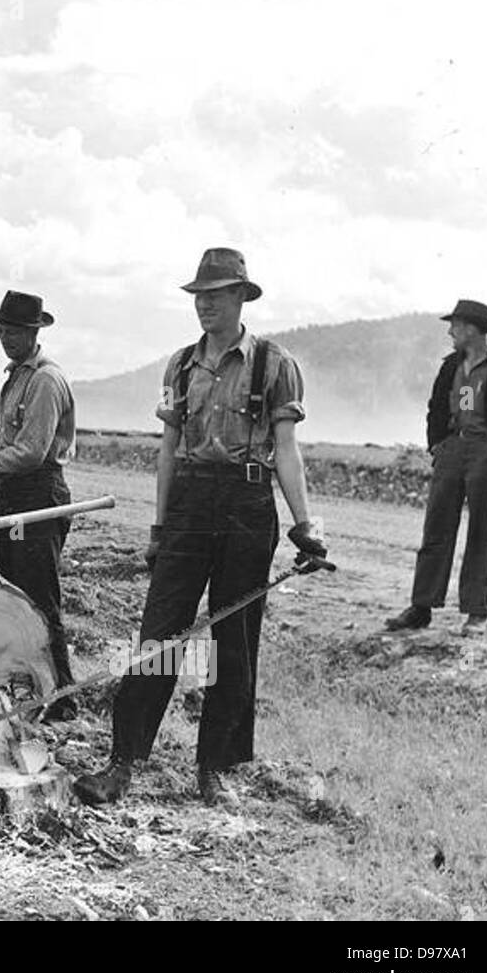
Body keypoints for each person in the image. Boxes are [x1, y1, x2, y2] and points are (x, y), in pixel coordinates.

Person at [73, 249, 327, 811]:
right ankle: (122, 763)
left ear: (241, 296)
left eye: (215, 295)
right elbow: (166, 450)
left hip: (247, 503)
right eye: (198, 296)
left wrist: (307, 525)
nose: (204, 306)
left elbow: (287, 452)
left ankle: (215, 769)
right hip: (189, 502)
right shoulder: (181, 366)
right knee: (158, 635)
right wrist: (159, 526)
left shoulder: (274, 365)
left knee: (233, 641)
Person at [0, 291, 78, 716]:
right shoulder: (15, 377)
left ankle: (63, 697)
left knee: (40, 597)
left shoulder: (45, 379)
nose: (7, 337)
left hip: (39, 496)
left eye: (15, 331)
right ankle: (26, 686)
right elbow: (11, 444)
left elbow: (31, 452)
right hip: (14, 498)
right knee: (12, 593)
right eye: (2, 330)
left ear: (34, 332)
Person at [385, 300, 487, 637]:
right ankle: (421, 606)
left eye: (455, 326)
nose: (450, 332)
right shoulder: (451, 366)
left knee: (481, 533)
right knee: (436, 528)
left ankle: (477, 612)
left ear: (472, 328)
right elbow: (436, 407)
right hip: (452, 449)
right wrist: (438, 445)